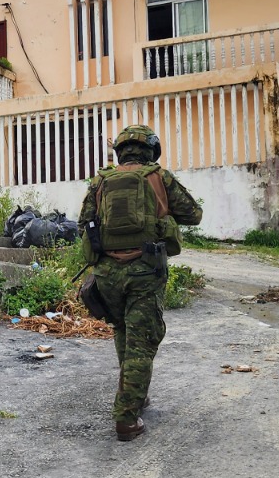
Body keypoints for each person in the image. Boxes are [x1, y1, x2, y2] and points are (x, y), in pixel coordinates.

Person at [79, 125, 203, 442]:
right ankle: (126, 417)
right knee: (142, 343)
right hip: (144, 272)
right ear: (150, 150)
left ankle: (136, 394)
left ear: (120, 152)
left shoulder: (101, 181)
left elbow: (83, 222)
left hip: (106, 273)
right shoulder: (159, 177)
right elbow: (194, 214)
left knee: (122, 329)